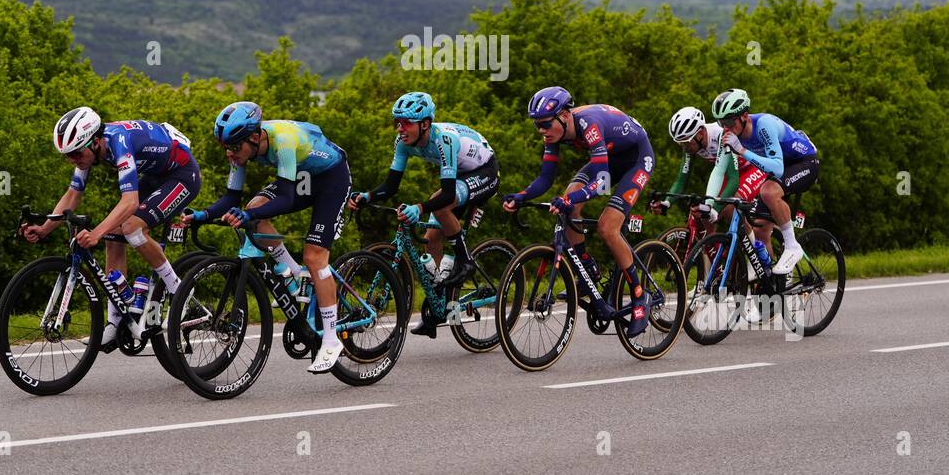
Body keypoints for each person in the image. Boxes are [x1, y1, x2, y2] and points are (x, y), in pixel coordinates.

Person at [184, 101, 353, 373]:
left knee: (315, 256)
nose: (230, 154)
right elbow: (232, 198)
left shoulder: (282, 140)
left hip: (332, 178)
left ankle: (332, 341)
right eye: (226, 147)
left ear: (254, 137)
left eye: (235, 147)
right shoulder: (242, 149)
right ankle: (292, 271)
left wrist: (249, 217)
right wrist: (203, 214)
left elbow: (285, 198)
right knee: (253, 208)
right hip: (303, 176)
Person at [22, 108, 198, 348]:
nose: (73, 160)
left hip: (182, 174)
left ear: (95, 142)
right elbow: (73, 194)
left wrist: (95, 233)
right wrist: (44, 229)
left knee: (132, 228)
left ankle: (180, 292)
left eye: (75, 154)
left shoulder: (119, 143)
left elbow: (130, 202)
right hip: (156, 176)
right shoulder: (89, 148)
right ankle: (115, 324)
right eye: (67, 156)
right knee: (113, 236)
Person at [502, 86, 655, 337]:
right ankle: (589, 272)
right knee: (569, 200)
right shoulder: (554, 133)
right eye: (537, 125)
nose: (541, 131)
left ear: (563, 115)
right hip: (608, 158)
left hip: (637, 159)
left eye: (545, 124)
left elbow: (602, 182)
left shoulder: (589, 126)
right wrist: (521, 196)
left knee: (607, 227)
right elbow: (545, 178)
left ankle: (639, 296)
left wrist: (571, 199)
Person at [348, 92, 500, 337]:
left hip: (485, 172)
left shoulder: (444, 140)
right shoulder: (403, 144)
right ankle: (441, 307)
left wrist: (418, 208)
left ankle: (466, 262)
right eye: (397, 122)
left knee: (438, 205)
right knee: (431, 238)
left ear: (425, 124)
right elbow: (391, 186)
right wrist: (368, 196)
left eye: (406, 123)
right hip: (460, 176)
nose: (400, 128)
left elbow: (448, 193)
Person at [710, 88, 818, 283]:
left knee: (768, 191)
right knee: (760, 229)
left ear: (744, 116)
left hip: (804, 163)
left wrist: (741, 150)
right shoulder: (730, 134)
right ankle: (770, 285)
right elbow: (718, 171)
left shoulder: (763, 125)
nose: (725, 128)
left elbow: (776, 168)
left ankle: (792, 246)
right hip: (782, 167)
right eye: (721, 123)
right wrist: (711, 204)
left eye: (729, 122)